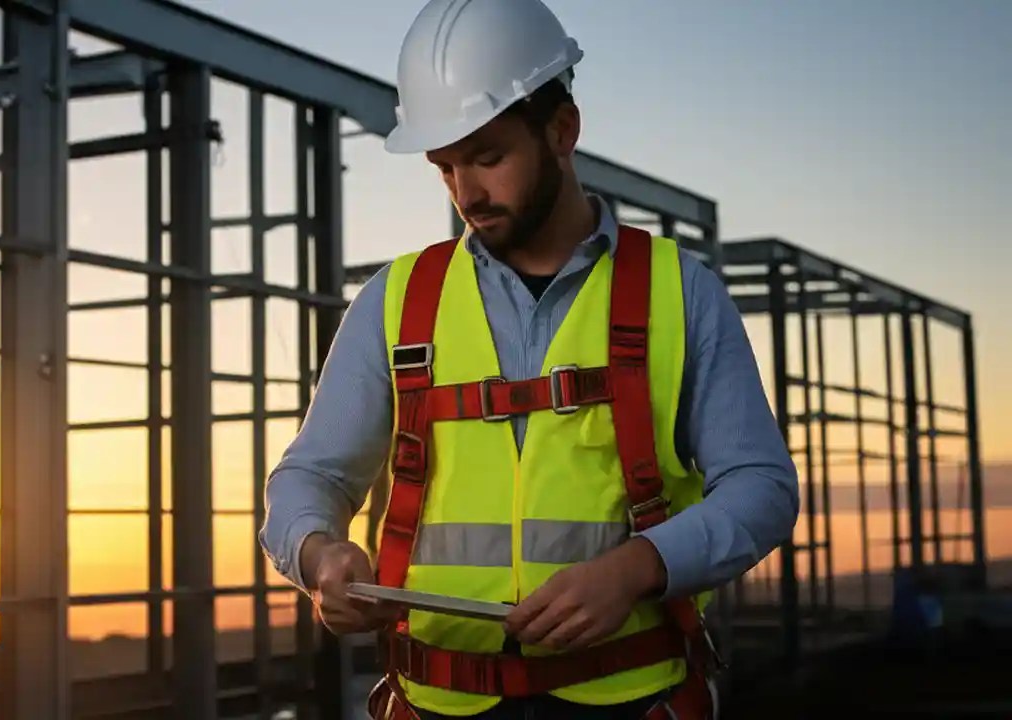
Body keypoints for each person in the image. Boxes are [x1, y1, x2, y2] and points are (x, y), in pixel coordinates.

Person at [258, 0, 800, 718]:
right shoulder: (397, 301)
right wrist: (319, 555)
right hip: (438, 701)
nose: (467, 193)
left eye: (489, 158)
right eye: (445, 167)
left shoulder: (679, 291)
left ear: (562, 130)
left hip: (630, 697)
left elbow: (761, 486)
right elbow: (310, 476)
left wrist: (640, 568)